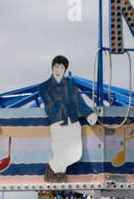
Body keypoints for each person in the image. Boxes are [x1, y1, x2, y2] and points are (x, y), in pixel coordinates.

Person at [36, 55, 98, 183]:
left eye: (62, 67)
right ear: (52, 68)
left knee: (76, 154)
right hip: (58, 123)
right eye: (56, 66)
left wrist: (89, 114)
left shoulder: (70, 84)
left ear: (65, 69)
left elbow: (78, 101)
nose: (58, 69)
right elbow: (50, 105)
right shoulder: (44, 87)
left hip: (73, 122)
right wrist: (62, 112)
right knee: (59, 149)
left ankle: (52, 166)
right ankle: (59, 175)